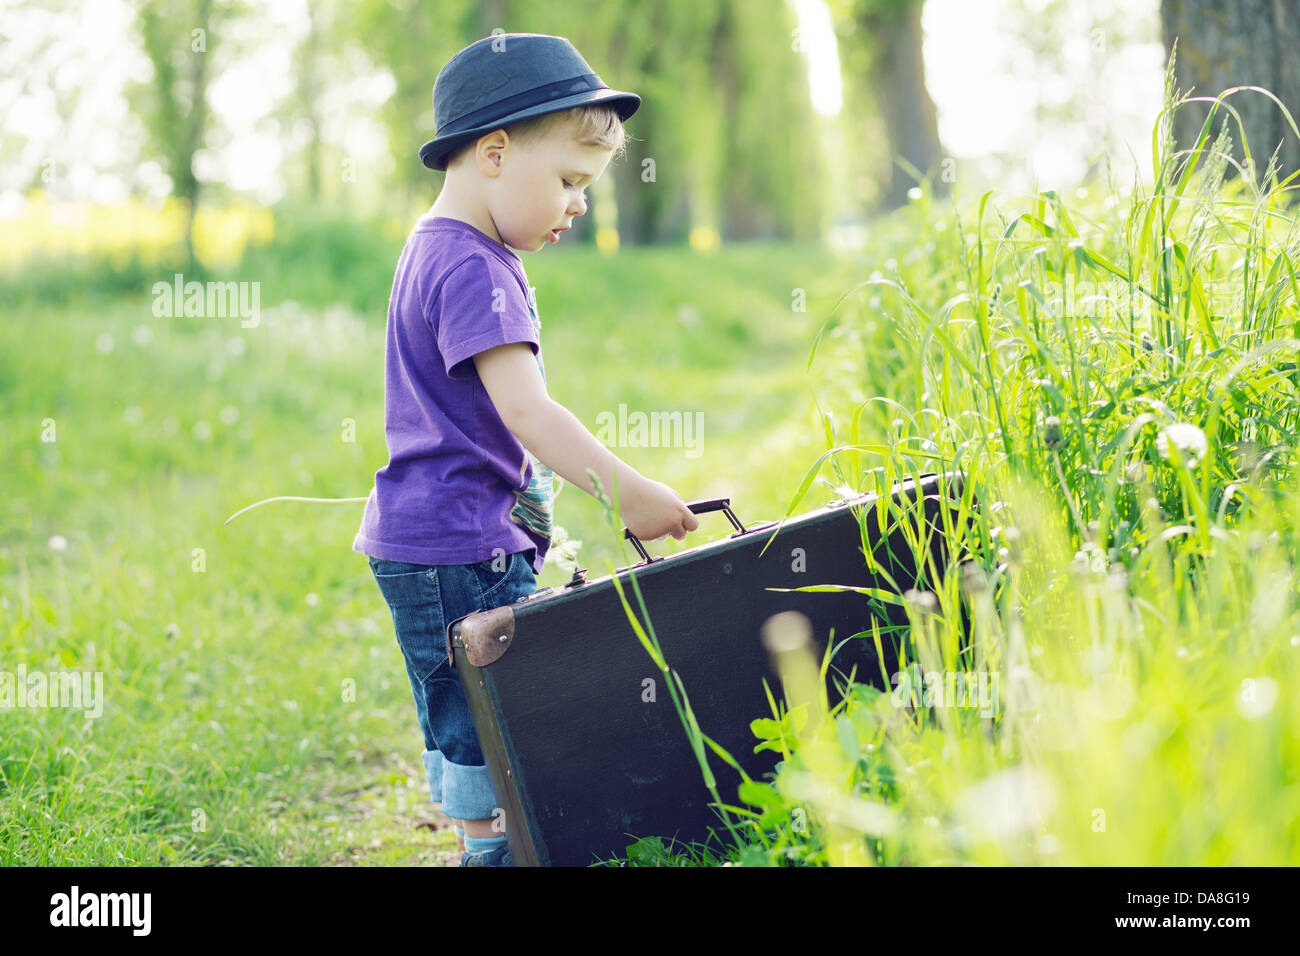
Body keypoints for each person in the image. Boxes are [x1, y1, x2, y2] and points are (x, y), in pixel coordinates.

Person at [352, 32, 699, 867]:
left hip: (438, 541)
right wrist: (630, 491)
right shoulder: (475, 267)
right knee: (491, 728)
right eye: (571, 181)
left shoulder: (435, 246)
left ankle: (487, 842)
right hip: (458, 547)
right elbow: (527, 412)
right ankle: (495, 853)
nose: (579, 206)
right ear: (497, 154)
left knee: (466, 719)